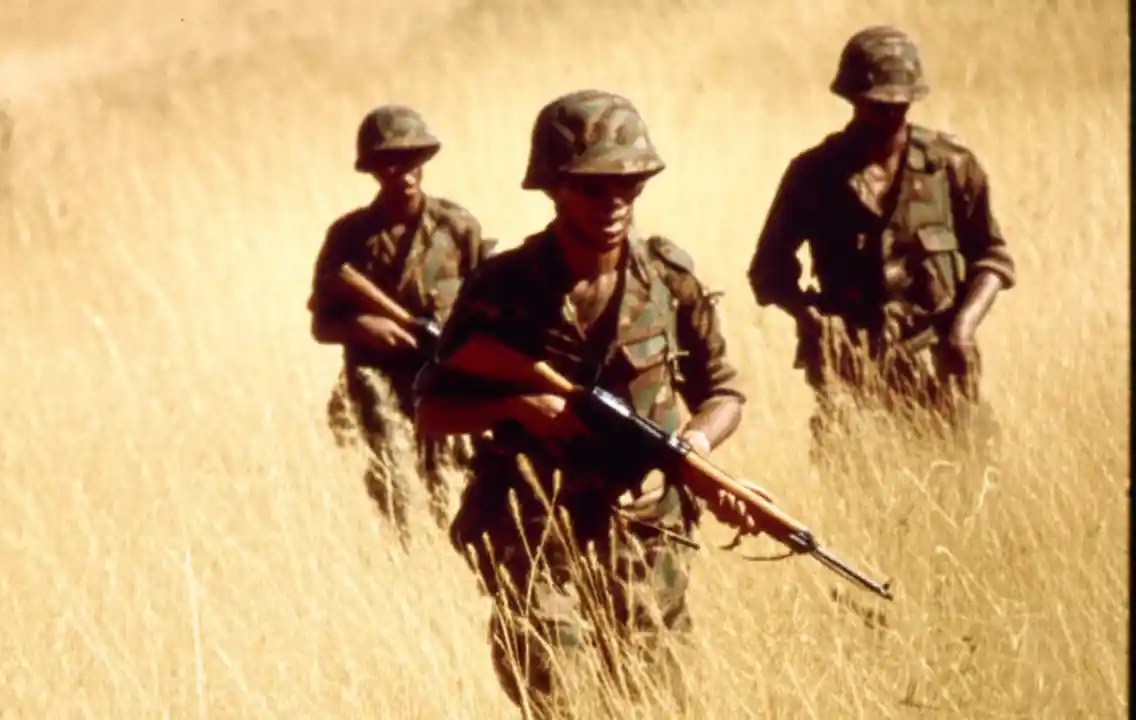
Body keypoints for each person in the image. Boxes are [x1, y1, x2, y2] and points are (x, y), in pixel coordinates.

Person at [414, 89, 761, 717]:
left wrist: (698, 450)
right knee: (558, 691)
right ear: (554, 186)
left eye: (628, 186)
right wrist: (517, 407)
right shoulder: (503, 284)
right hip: (534, 529)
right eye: (593, 187)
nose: (613, 203)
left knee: (655, 698)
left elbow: (725, 392)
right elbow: (433, 410)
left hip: (647, 533)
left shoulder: (667, 278)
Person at [747, 26, 1016, 468]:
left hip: (940, 370)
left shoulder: (951, 166)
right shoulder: (814, 173)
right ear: (852, 99)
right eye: (876, 105)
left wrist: (962, 329)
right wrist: (810, 317)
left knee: (967, 490)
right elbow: (768, 272)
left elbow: (993, 258)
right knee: (860, 498)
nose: (889, 114)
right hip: (851, 378)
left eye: (899, 104)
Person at [309, 104, 494, 543]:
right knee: (393, 481)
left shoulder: (457, 226)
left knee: (451, 480)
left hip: (444, 378)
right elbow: (321, 325)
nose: (404, 172)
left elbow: (487, 306)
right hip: (378, 383)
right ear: (371, 168)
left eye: (413, 160)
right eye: (390, 161)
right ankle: (403, 559)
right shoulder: (349, 237)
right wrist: (362, 328)